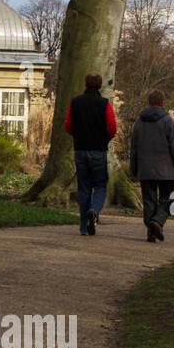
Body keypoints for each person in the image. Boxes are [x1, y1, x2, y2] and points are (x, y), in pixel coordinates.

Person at [130, 88, 174, 242]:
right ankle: (157, 222)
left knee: (149, 200)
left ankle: (151, 230)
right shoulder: (168, 121)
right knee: (167, 199)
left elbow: (133, 147)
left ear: (149, 101)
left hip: (145, 168)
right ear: (162, 102)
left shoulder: (139, 121)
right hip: (166, 170)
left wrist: (134, 167)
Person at [64, 72, 116, 236]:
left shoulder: (75, 102)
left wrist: (79, 136)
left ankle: (83, 226)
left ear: (85, 84)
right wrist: (104, 138)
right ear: (100, 85)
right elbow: (112, 128)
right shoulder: (104, 104)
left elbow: (68, 126)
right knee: (100, 185)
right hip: (98, 150)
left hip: (80, 149)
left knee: (84, 188)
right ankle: (94, 210)